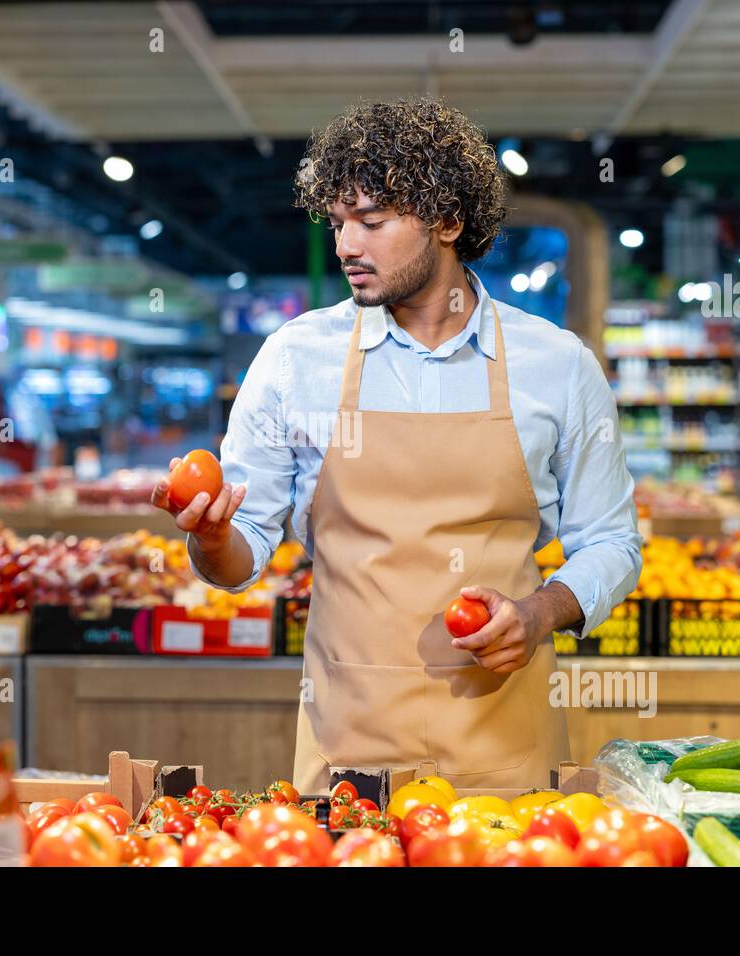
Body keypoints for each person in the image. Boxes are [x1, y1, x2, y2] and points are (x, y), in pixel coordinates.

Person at [152, 98, 642, 793]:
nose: (347, 244)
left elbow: (613, 542)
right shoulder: (295, 360)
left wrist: (536, 615)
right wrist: (210, 535)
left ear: (448, 220)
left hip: (504, 751)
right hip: (349, 754)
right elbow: (240, 558)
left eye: (373, 221)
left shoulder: (557, 366)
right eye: (340, 220)